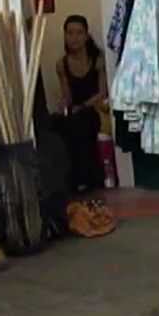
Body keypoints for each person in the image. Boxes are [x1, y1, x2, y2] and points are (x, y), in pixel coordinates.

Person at [52, 15, 108, 193]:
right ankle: (72, 181)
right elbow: (67, 95)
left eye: (78, 33)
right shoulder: (62, 64)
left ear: (86, 35)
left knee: (82, 123)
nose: (74, 38)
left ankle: (90, 179)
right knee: (58, 124)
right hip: (75, 113)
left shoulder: (97, 60)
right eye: (69, 33)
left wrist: (83, 106)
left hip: (93, 110)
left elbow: (102, 92)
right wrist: (63, 106)